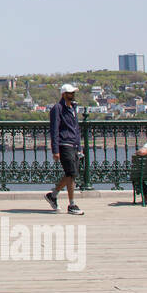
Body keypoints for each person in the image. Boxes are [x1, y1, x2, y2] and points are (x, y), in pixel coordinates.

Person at [45, 84, 84, 215]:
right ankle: (72, 204)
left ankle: (53, 195)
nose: (72, 94)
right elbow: (54, 129)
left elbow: (76, 129)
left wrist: (79, 147)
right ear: (64, 94)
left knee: (70, 174)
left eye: (73, 92)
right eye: (70, 93)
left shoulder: (73, 108)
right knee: (71, 174)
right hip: (64, 144)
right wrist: (55, 150)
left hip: (73, 145)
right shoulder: (58, 108)